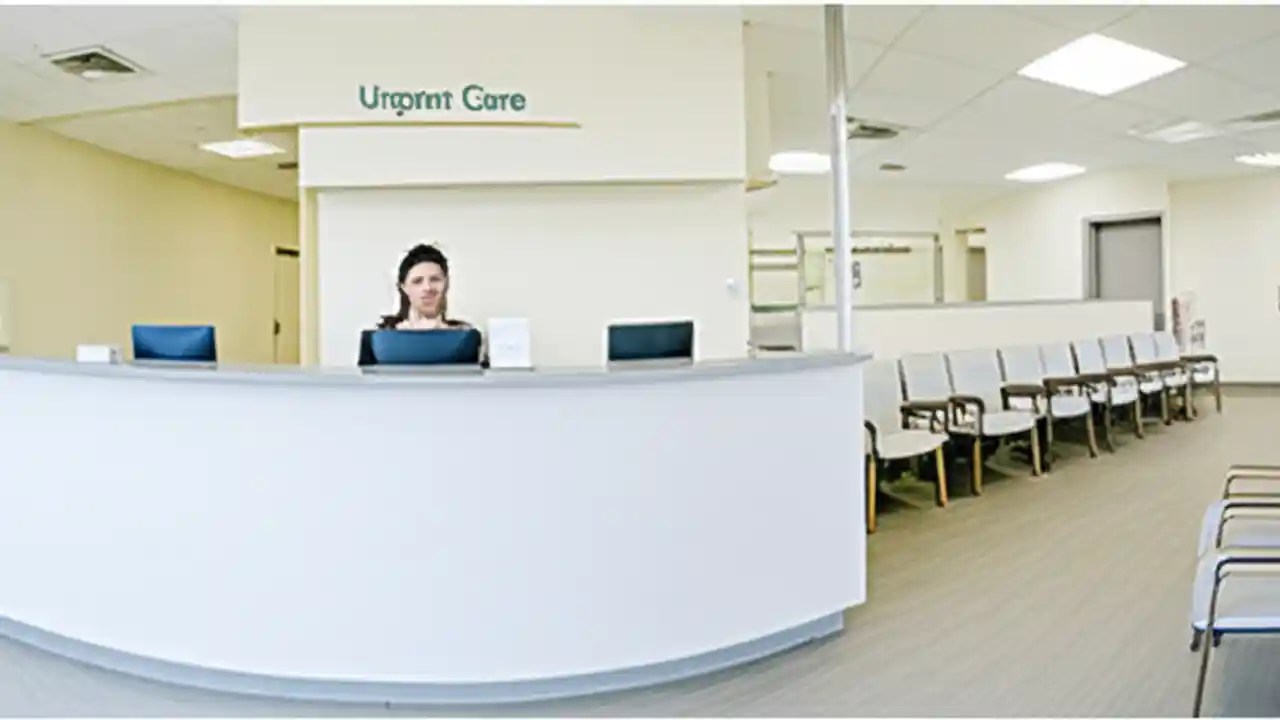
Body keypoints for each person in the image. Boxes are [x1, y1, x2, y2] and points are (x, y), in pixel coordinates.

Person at [377, 244, 473, 331]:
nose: (427, 288)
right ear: (403, 287)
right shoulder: (385, 335)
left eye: (435, 279)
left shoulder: (463, 333)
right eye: (417, 281)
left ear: (447, 283)